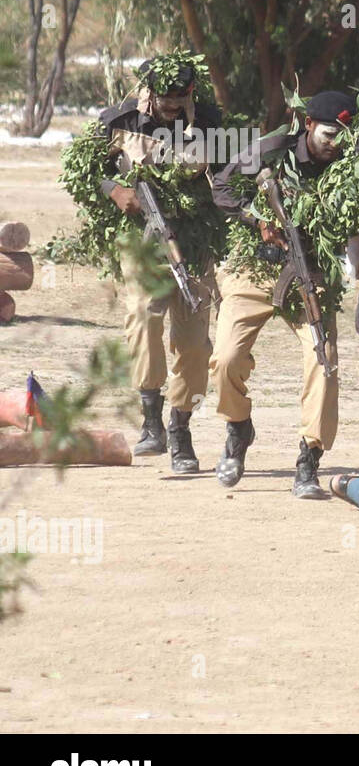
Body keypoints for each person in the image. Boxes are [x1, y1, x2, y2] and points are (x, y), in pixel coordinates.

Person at [207, 89, 356, 498]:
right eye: (328, 134)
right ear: (308, 125)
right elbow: (222, 188)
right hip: (256, 266)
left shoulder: (355, 164)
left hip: (312, 273)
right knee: (225, 359)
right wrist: (257, 219)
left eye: (343, 135)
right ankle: (238, 427)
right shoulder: (273, 149)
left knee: (323, 360)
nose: (336, 143)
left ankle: (309, 457)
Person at [90, 55, 223, 472]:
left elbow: (235, 176)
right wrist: (113, 189)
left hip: (195, 243)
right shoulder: (120, 119)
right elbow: (87, 169)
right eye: (164, 95)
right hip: (144, 240)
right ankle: (152, 421)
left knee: (195, 342)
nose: (171, 103)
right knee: (143, 316)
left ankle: (180, 428)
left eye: (180, 96)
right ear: (150, 89)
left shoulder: (212, 123)